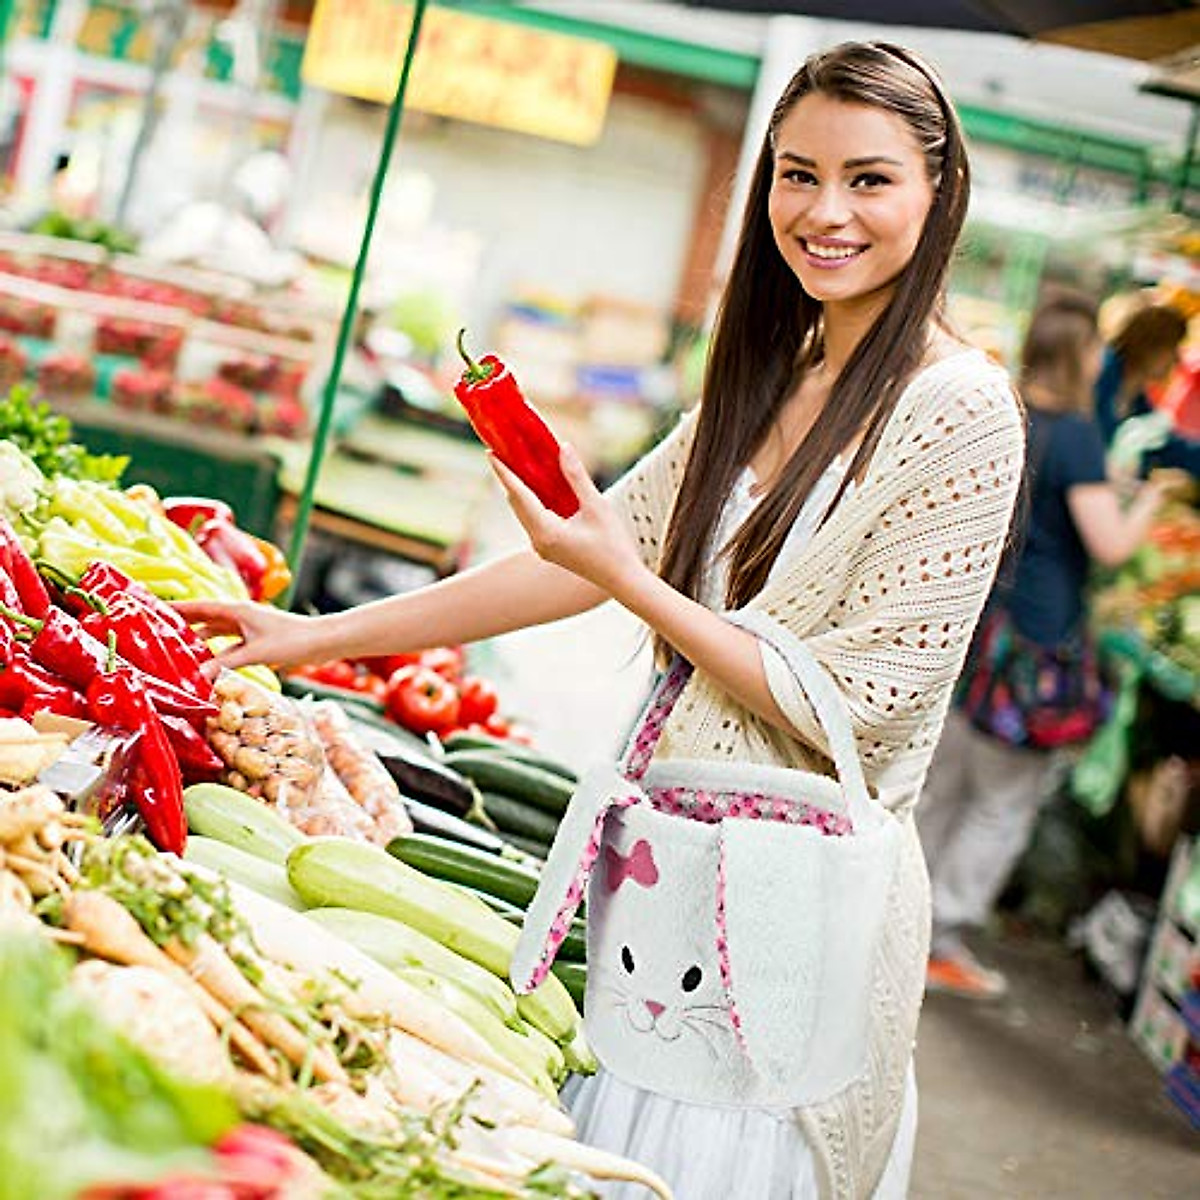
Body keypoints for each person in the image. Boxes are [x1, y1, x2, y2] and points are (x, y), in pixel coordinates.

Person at [181, 42, 1024, 1200]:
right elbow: (578, 563)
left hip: (786, 936)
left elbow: (862, 712)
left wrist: (630, 577)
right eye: (797, 174)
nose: (826, 212)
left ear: (940, 193)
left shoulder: (962, 411)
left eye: (870, 179)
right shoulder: (777, 373)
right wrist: (307, 637)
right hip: (666, 887)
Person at [918, 291, 1169, 1002]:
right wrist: (1149, 498)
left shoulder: (1007, 410)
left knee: (941, 783)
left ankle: (899, 917)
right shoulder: (1082, 435)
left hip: (974, 632)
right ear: (1079, 356)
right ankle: (939, 936)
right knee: (1003, 801)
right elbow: (1109, 544)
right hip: (1032, 649)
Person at [1094, 300, 1196, 477]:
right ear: (1150, 344)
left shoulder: (1136, 398)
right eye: (1172, 348)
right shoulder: (1098, 375)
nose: (1177, 360)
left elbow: (1167, 444)